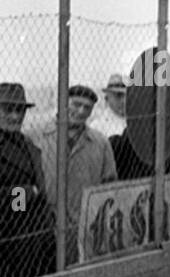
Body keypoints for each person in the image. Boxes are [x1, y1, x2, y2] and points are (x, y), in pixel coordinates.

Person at [34, 85, 118, 266]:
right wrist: (20, 211)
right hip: (43, 224)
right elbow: (22, 182)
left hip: (83, 224)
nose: (81, 111)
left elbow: (110, 184)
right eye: (76, 104)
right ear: (63, 103)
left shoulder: (100, 143)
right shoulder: (37, 135)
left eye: (87, 108)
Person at [0, 83, 56, 277]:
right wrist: (26, 193)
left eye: (20, 110)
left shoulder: (27, 144)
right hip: (7, 237)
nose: (15, 116)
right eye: (8, 109)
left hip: (34, 237)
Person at [90, 74, 128, 140]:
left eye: (126, 96)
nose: (124, 101)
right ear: (107, 99)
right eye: (118, 95)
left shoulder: (137, 120)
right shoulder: (98, 126)